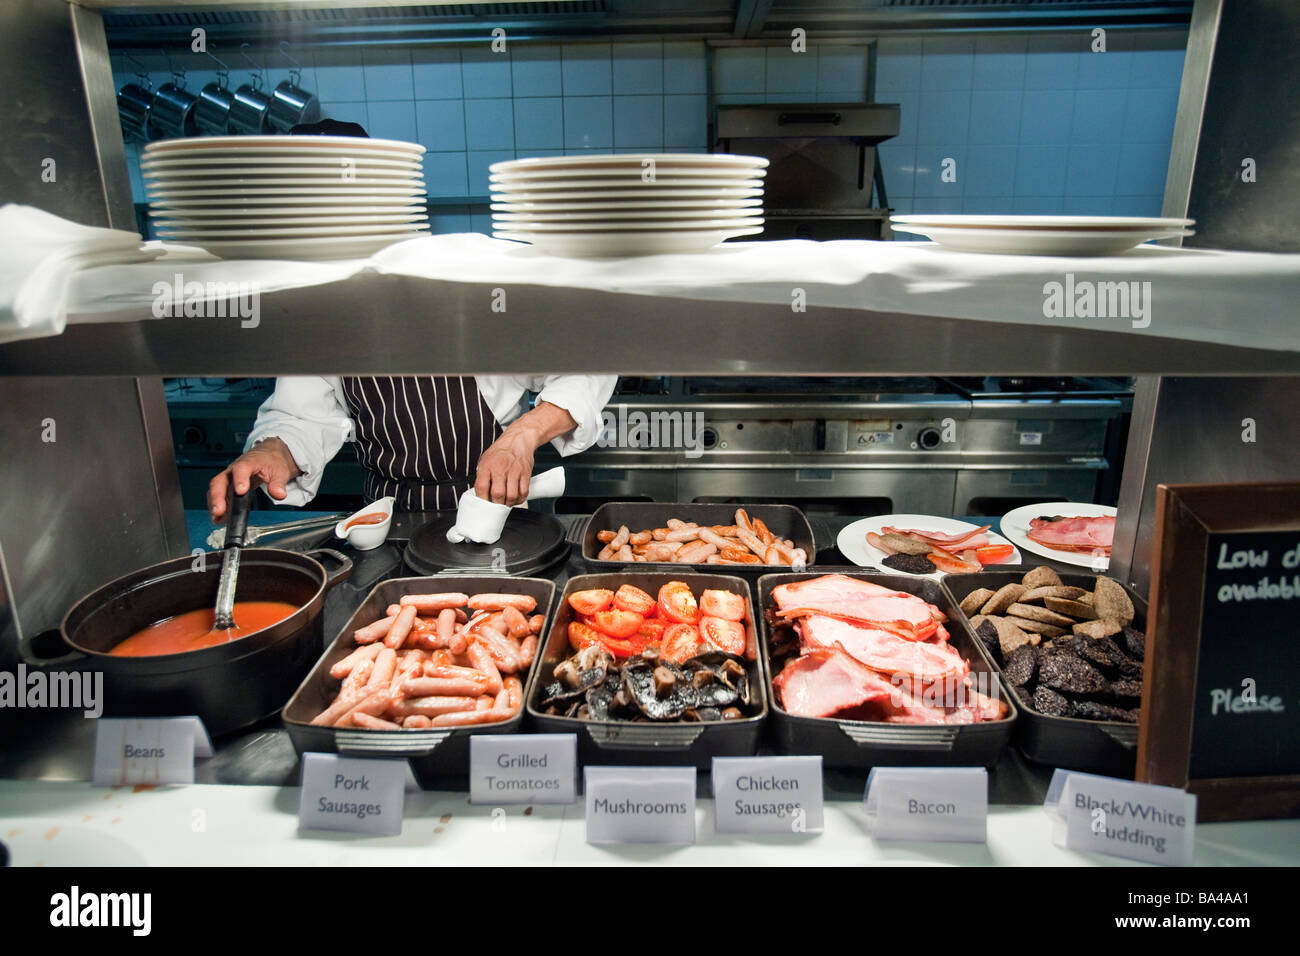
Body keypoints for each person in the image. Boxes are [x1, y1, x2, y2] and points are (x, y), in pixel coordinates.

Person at [208, 375, 616, 520]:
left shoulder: (483, 303)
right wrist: (273, 452)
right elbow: (300, 418)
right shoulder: (331, 317)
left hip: (497, 513)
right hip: (388, 523)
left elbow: (585, 367)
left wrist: (522, 436)